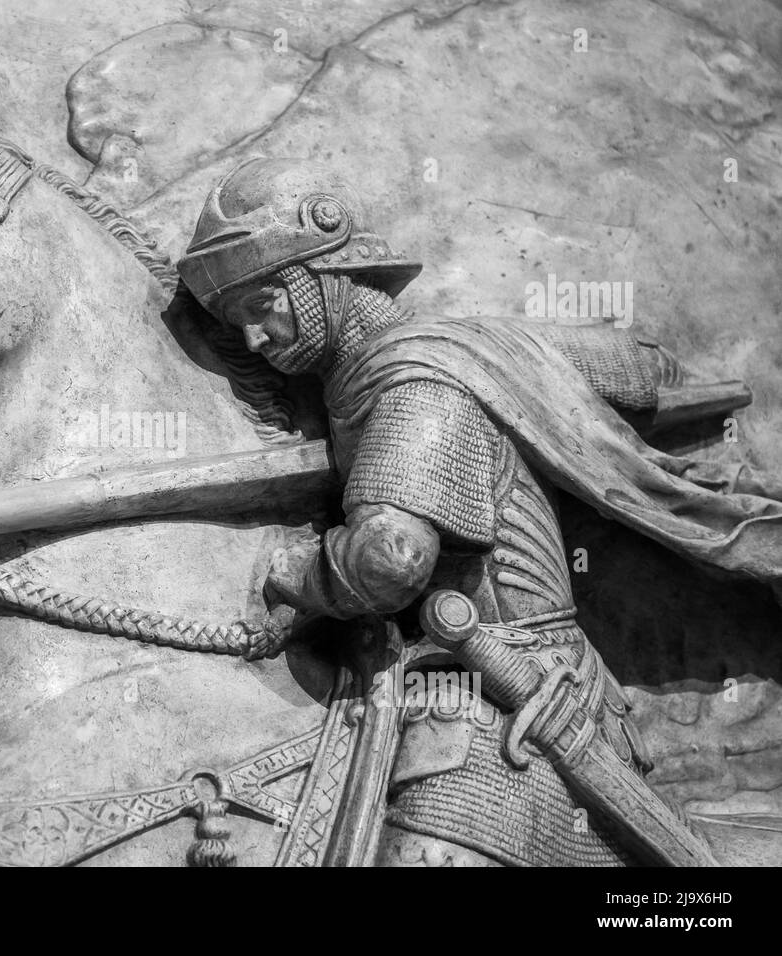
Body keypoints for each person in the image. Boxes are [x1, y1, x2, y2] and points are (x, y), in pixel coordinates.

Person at [177, 158, 782, 866]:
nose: (253, 339)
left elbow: (391, 560)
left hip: (505, 704)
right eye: (234, 322)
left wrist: (293, 573)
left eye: (261, 305)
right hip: (471, 686)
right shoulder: (481, 346)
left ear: (320, 276)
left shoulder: (412, 380)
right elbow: (646, 370)